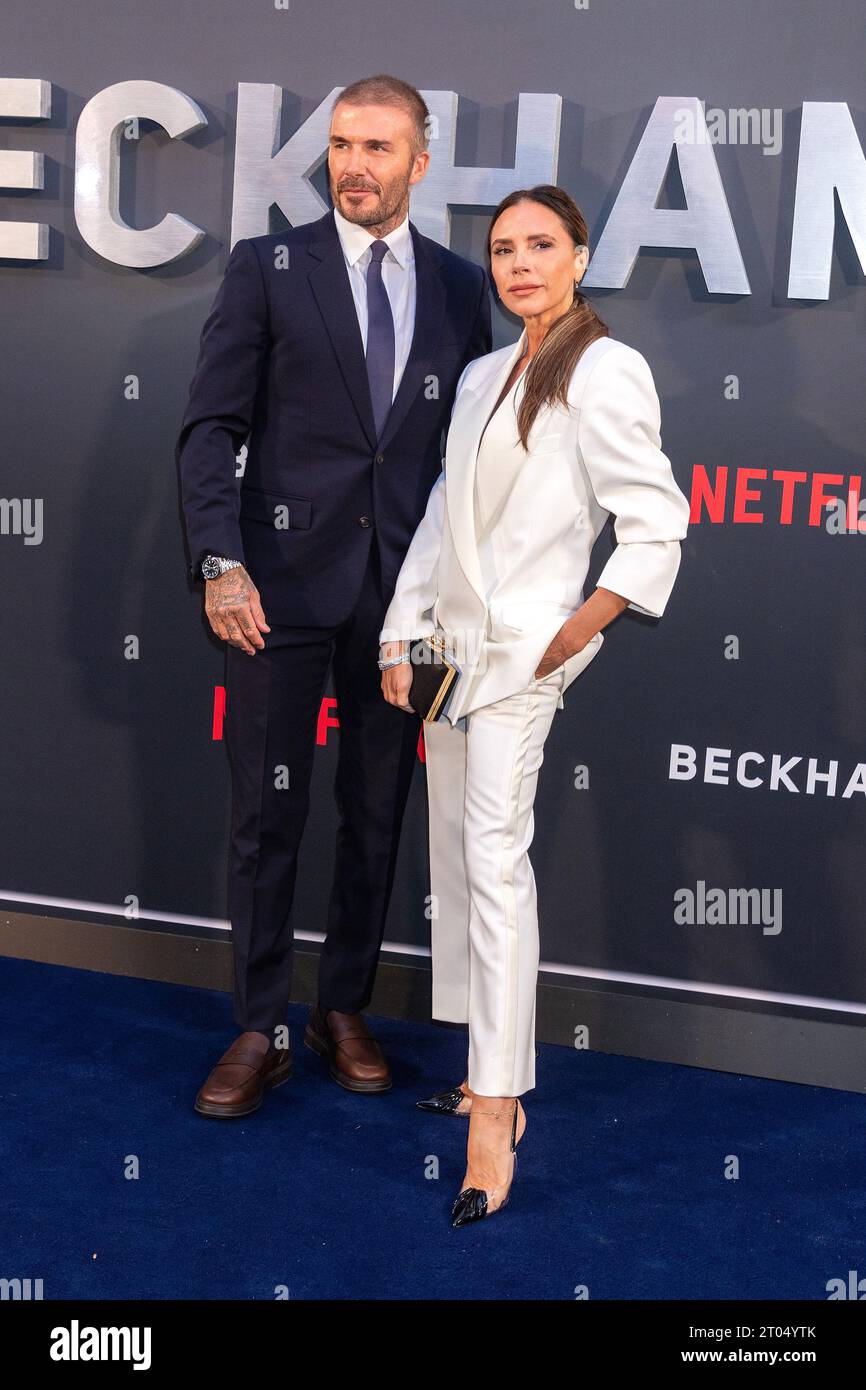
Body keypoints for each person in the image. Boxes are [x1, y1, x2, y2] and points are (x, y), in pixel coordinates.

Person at [175, 74, 491, 1118]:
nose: (352, 165)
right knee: (267, 815)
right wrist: (221, 563)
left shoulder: (456, 286)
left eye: (376, 148)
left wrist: (450, 597)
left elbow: (465, 462)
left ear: (418, 161)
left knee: (373, 811)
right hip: (274, 592)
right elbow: (208, 429)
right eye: (341, 145)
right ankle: (261, 1022)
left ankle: (340, 1004)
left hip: (399, 607)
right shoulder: (268, 267)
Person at [379, 184, 690, 1224]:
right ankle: (479, 1071)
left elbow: (653, 524)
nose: (518, 263)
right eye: (503, 248)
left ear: (579, 256)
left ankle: (495, 1109)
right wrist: (400, 630)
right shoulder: (479, 373)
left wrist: (571, 631)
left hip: (522, 661)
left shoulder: (605, 369)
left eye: (539, 246)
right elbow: (437, 516)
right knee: (457, 870)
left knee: (493, 868)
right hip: (447, 660)